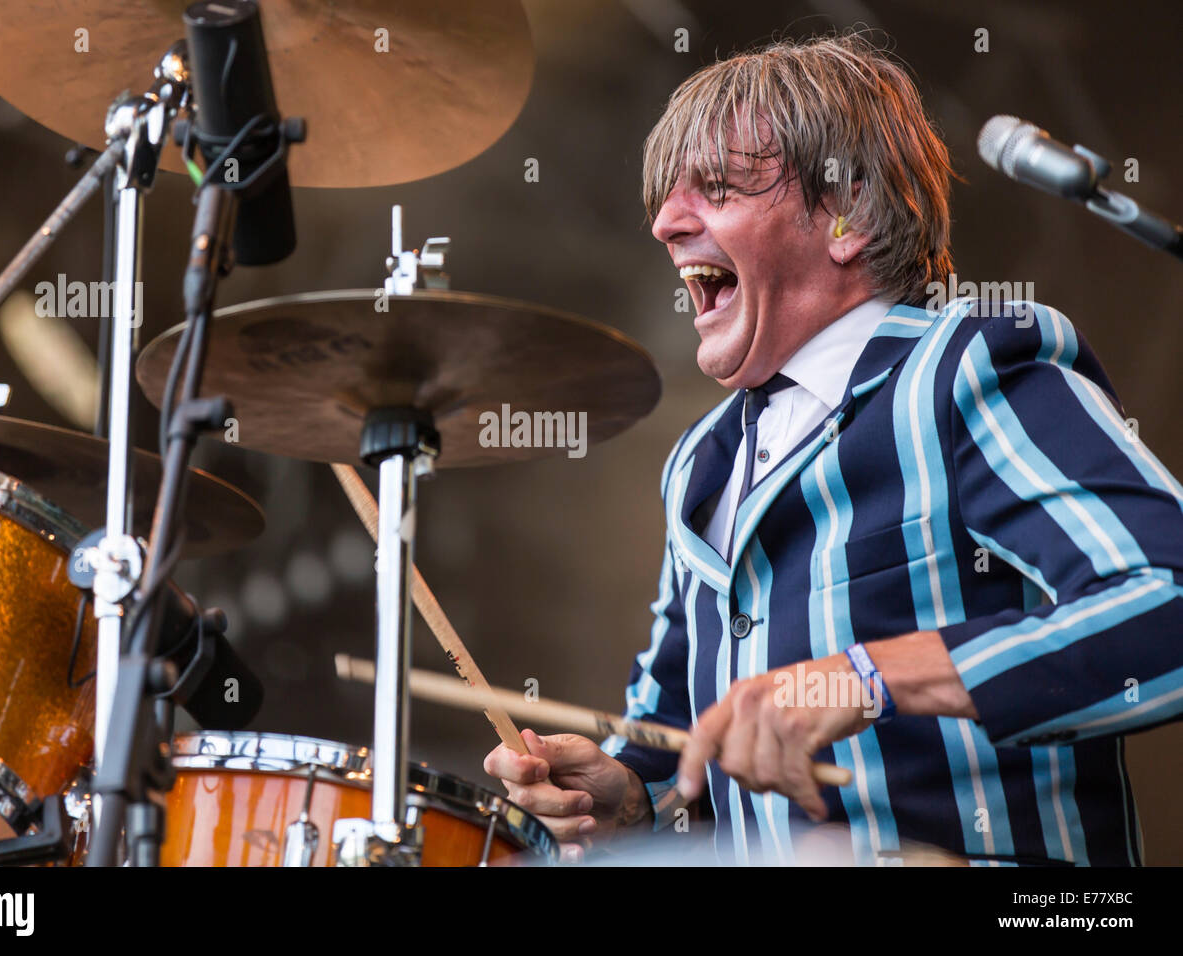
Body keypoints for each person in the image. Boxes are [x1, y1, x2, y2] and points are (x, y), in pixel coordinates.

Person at [484, 32, 1183, 866]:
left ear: (845, 211)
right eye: (668, 199)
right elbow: (676, 746)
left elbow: (1167, 602)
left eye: (716, 188)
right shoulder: (700, 463)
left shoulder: (966, 369)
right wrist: (628, 799)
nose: (667, 222)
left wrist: (856, 677)